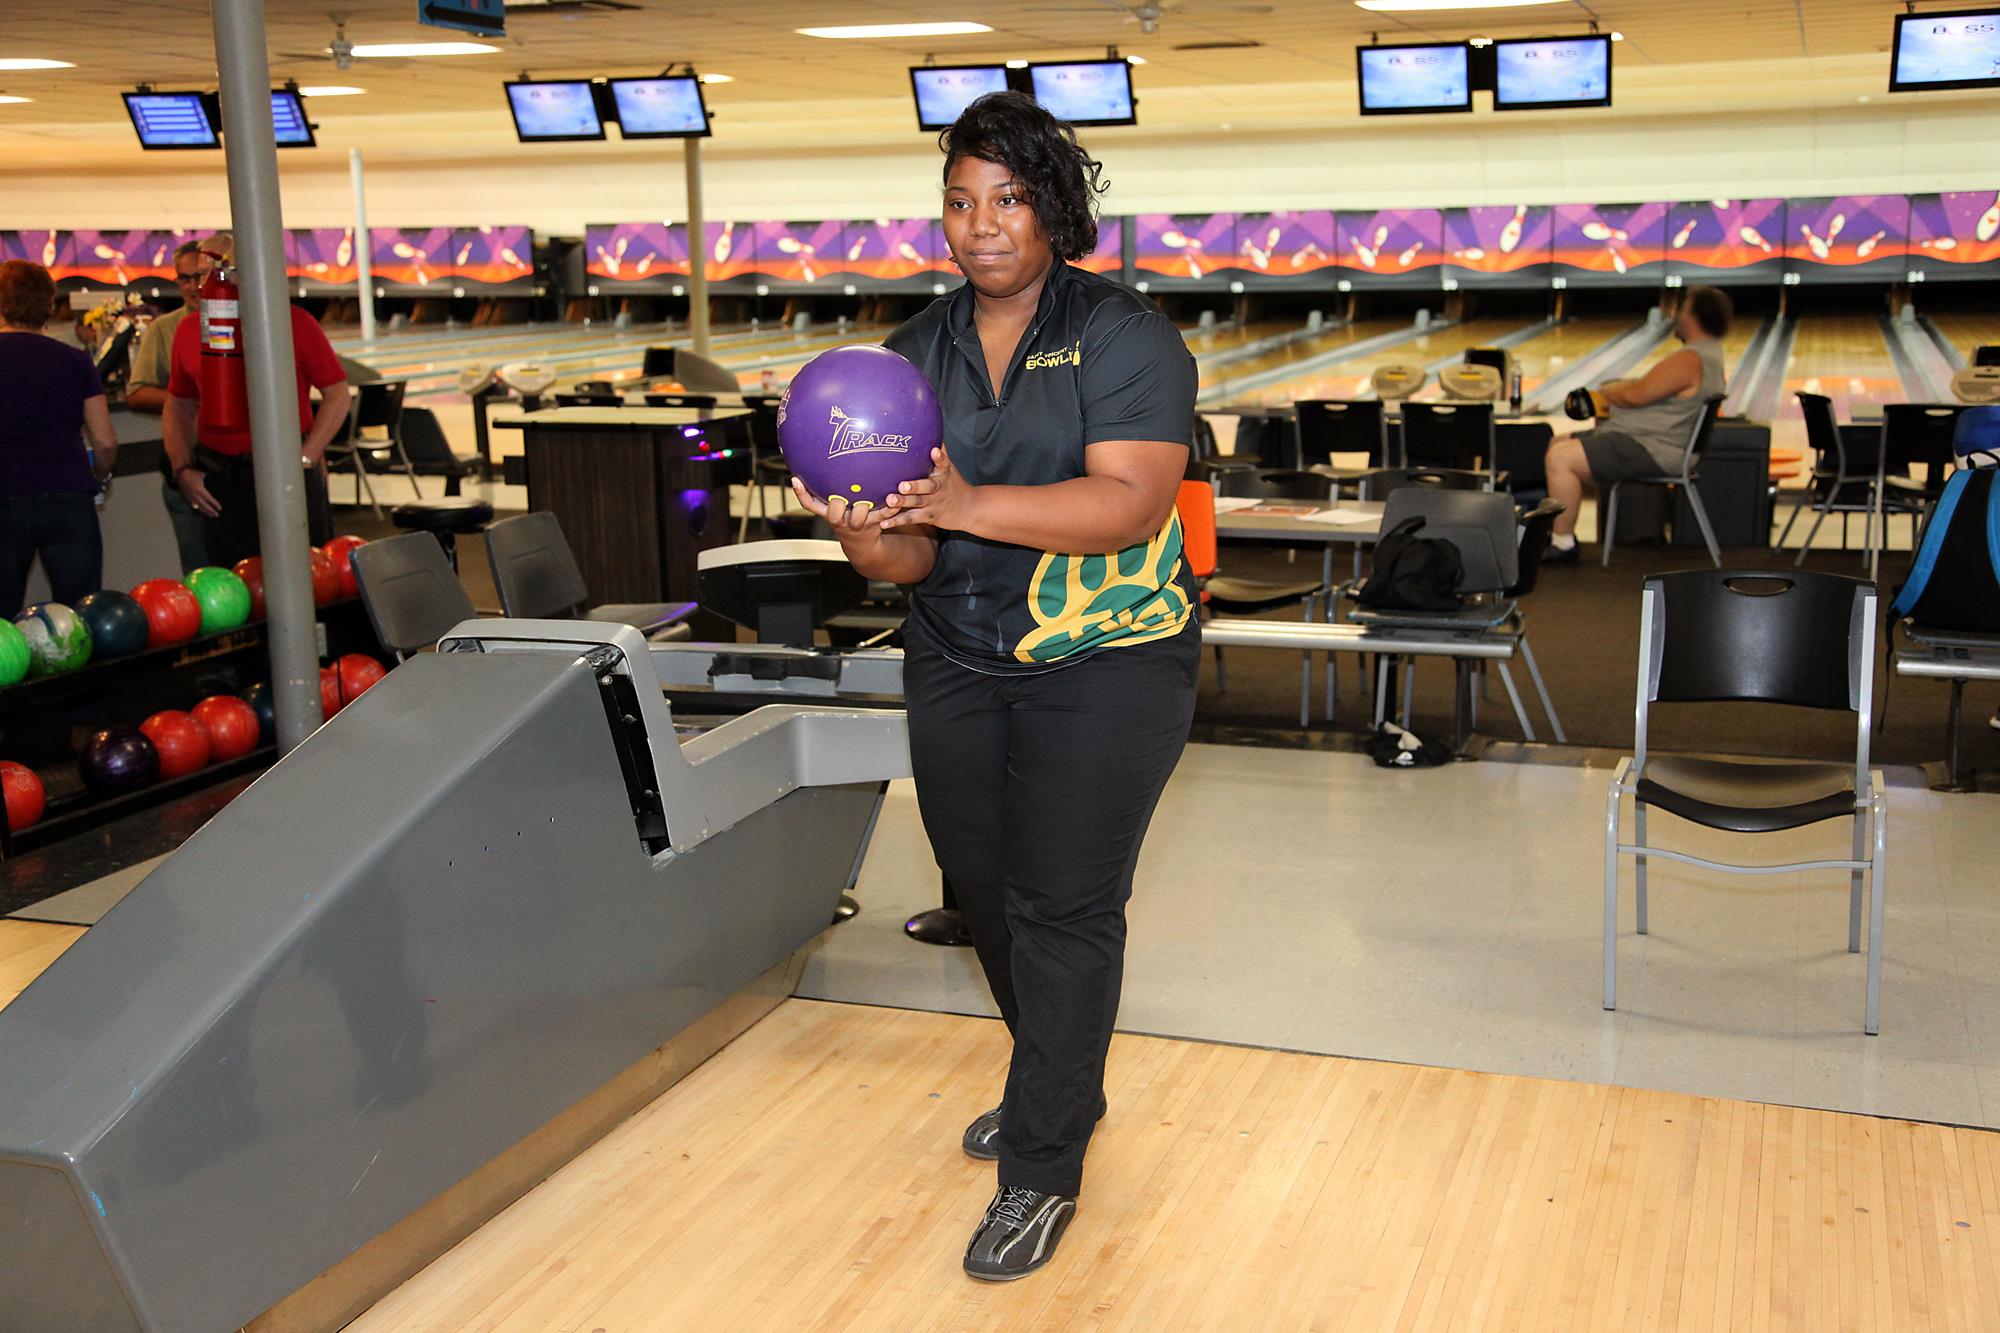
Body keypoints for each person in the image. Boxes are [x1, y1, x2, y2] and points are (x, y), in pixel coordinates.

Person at [789, 91, 1199, 1281]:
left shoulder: (1124, 336)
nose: (981, 226)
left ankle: (1041, 1164)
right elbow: (908, 553)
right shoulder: (911, 353)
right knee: (982, 888)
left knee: (1062, 904)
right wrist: (865, 534)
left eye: (1008, 199)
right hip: (958, 651)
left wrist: (960, 500)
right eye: (961, 202)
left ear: (1053, 209)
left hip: (1107, 659)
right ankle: (1056, 1078)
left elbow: (1126, 503)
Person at [162, 239, 351, 567]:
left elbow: (337, 393)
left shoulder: (295, 323)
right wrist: (183, 469)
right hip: (219, 478)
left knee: (307, 582)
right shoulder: (189, 330)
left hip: (286, 471)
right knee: (233, 591)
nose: (200, 286)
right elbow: (178, 404)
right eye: (194, 277)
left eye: (210, 274)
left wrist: (307, 457)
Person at [1541, 286, 1732, 562]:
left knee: (1561, 457)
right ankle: (1558, 530)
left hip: (1652, 448)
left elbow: (1635, 395)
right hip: (1655, 444)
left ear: (1693, 316)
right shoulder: (1711, 355)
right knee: (1559, 442)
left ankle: (1562, 544)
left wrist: (1610, 389)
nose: (1677, 315)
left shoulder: (1691, 358)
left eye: (1682, 309)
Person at [0, 259, 118, 617]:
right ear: (48, 304)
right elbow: (106, 442)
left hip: (3, 495)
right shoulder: (75, 360)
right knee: (81, 613)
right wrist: (101, 475)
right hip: (68, 495)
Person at [126, 237, 218, 570]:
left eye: (201, 276)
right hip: (190, 467)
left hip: (238, 468)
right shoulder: (164, 330)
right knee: (202, 571)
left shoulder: (242, 322)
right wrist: (185, 400)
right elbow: (136, 392)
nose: (194, 286)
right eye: (185, 278)